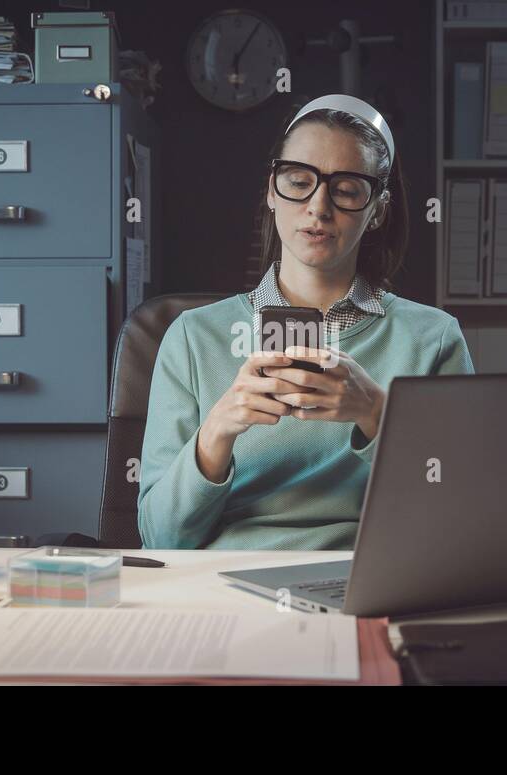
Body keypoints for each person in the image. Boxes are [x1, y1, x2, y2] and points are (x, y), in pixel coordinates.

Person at [138, 95, 474, 550]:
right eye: (299, 181)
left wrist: (378, 412)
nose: (319, 207)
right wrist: (216, 431)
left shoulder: (433, 339)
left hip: (365, 579)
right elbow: (162, 539)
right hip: (229, 587)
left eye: (348, 189)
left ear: (377, 209)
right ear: (272, 193)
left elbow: (460, 520)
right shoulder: (194, 338)